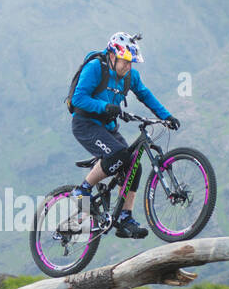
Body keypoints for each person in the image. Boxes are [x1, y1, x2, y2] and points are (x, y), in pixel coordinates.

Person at [68, 31, 179, 237]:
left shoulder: (130, 76)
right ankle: (82, 191)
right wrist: (105, 107)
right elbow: (78, 99)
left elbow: (145, 95)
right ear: (112, 55)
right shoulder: (95, 68)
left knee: (134, 166)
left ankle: (125, 218)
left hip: (107, 127)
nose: (128, 66)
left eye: (132, 62)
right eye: (125, 61)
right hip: (85, 124)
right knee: (119, 154)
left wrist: (167, 116)